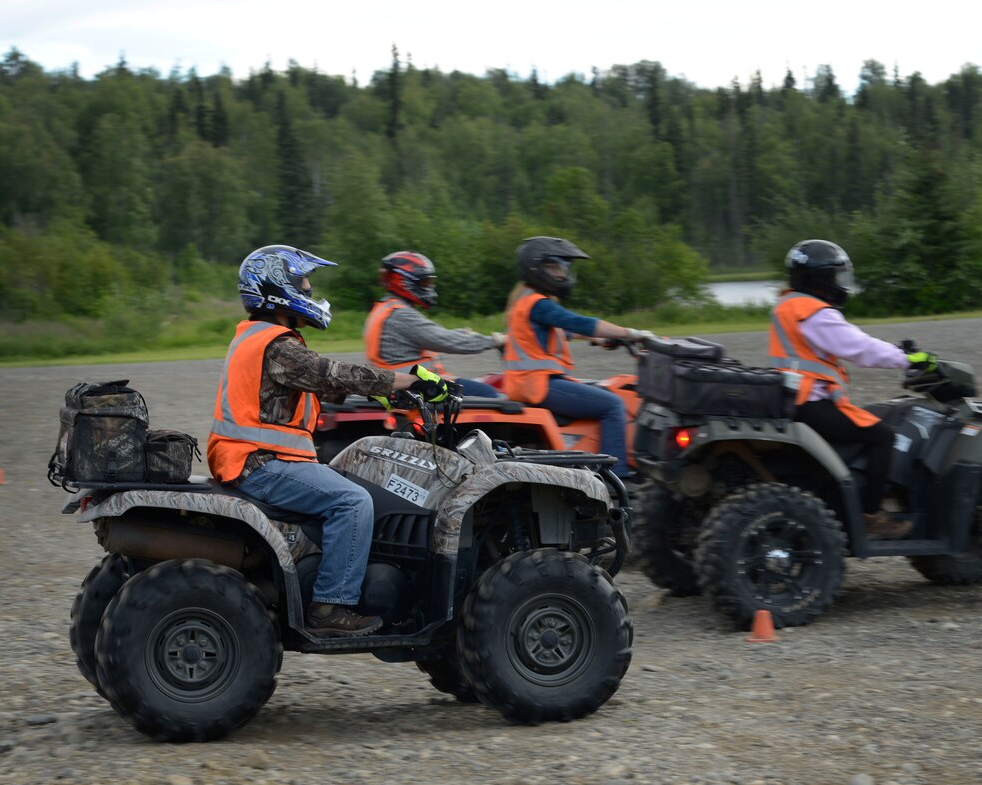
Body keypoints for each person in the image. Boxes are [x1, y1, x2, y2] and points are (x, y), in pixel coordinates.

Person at [208, 245, 453, 636]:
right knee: (352, 501)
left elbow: (322, 385)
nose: (309, 291)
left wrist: (385, 395)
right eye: (303, 283)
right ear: (278, 288)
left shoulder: (259, 338)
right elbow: (330, 373)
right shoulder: (277, 346)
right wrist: (409, 380)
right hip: (259, 463)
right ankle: (331, 607)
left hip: (256, 458)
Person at [767, 239, 937, 539]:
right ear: (820, 279)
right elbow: (859, 347)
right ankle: (870, 516)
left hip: (793, 399)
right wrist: (906, 358)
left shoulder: (787, 305)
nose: (840, 283)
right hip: (810, 402)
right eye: (836, 276)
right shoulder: (815, 312)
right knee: (883, 437)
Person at [502, 236, 654, 479]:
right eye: (554, 267)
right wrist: (630, 333)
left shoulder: (525, 301)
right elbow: (579, 322)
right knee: (613, 405)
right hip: (538, 385)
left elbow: (562, 331)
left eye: (563, 267)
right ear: (536, 269)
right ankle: (617, 476)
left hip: (529, 383)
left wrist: (601, 339)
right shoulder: (538, 304)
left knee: (605, 392)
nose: (561, 273)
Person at [364, 251, 506, 399]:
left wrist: (462, 333)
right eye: (425, 283)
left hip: (401, 385)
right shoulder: (401, 315)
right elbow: (447, 341)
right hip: (413, 388)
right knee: (488, 393)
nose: (428, 288)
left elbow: (433, 333)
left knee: (486, 381)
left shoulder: (386, 308)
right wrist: (495, 341)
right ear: (403, 281)